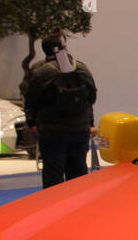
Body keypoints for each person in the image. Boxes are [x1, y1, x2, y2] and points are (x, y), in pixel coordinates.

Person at [23, 32, 97, 189]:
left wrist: (32, 124)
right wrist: (90, 123)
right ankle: (79, 210)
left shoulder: (40, 72)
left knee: (53, 177)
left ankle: (54, 211)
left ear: (44, 50)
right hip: (79, 130)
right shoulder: (81, 68)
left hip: (52, 132)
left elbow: (31, 101)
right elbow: (91, 98)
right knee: (78, 175)